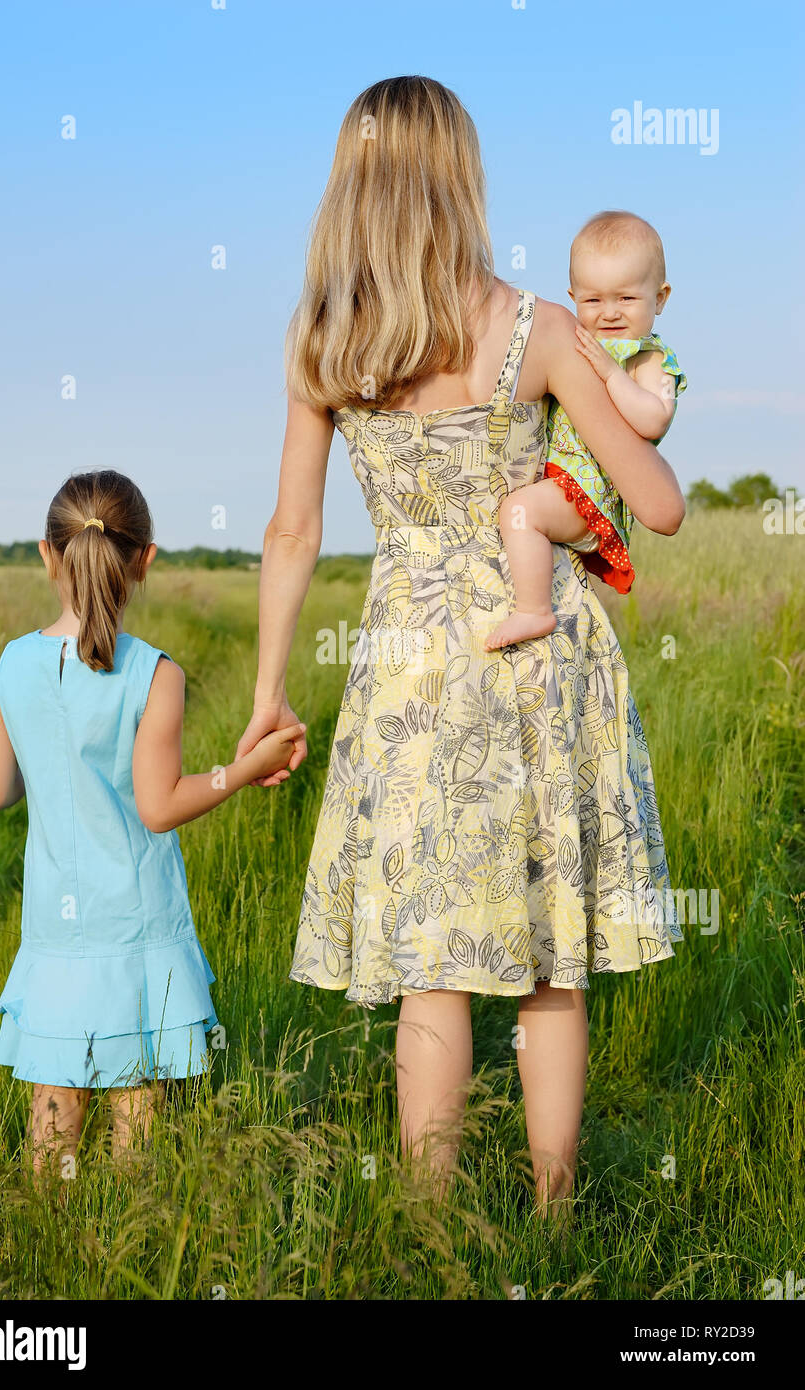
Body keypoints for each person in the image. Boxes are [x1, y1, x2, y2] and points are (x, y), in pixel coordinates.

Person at [235, 76, 685, 1223]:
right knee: (548, 957)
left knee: (433, 955)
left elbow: (293, 530)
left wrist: (269, 690)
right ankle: (550, 1215)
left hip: (410, 663)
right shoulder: (537, 326)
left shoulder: (324, 338)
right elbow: (655, 502)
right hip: (539, 649)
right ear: (461, 178)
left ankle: (429, 1230)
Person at [0, 469, 302, 1173]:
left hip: (54, 933)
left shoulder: (13, 664)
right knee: (139, 1121)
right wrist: (241, 771)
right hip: (136, 926)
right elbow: (158, 807)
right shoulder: (154, 673)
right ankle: (131, 1241)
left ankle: (50, 1242)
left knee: (52, 1116)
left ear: (45, 554)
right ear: (146, 560)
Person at [485, 209, 688, 648]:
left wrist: (611, 374)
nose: (610, 313)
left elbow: (654, 418)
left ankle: (534, 610)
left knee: (520, 512)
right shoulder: (578, 340)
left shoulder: (647, 357)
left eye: (627, 299)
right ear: (573, 296)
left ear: (661, 297)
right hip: (564, 477)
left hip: (592, 488)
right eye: (593, 301)